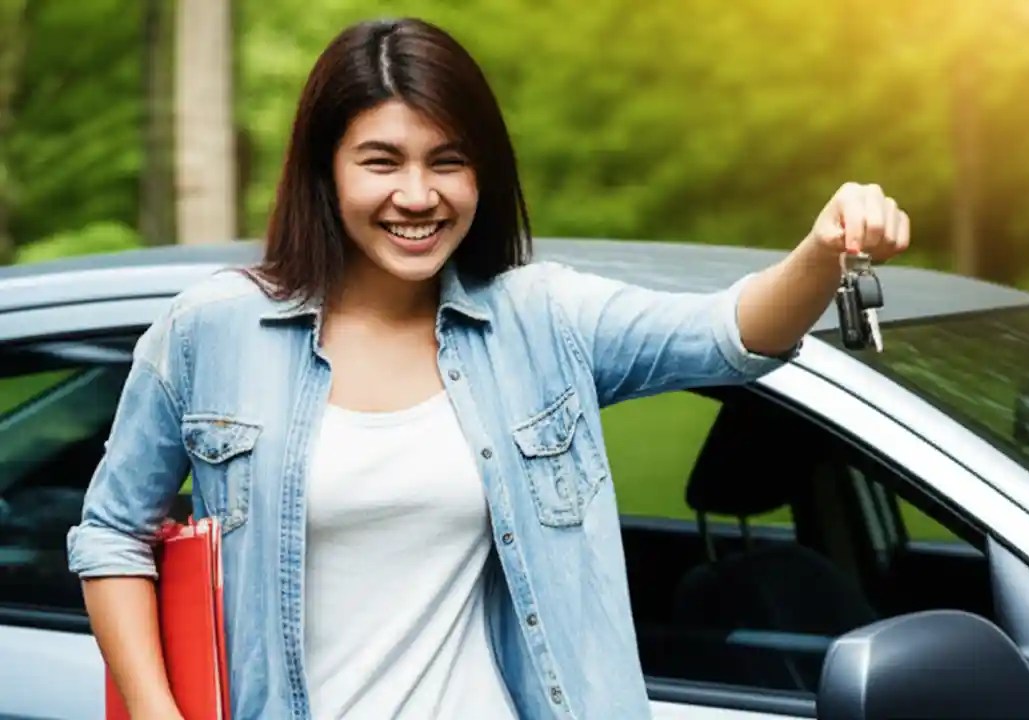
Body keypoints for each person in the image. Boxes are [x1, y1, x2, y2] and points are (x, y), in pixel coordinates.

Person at [67, 16, 910, 720]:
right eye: (381, 161)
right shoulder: (212, 331)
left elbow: (730, 334)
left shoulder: (539, 322)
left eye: (447, 160)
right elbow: (111, 535)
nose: (418, 194)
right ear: (325, 170)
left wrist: (821, 249)